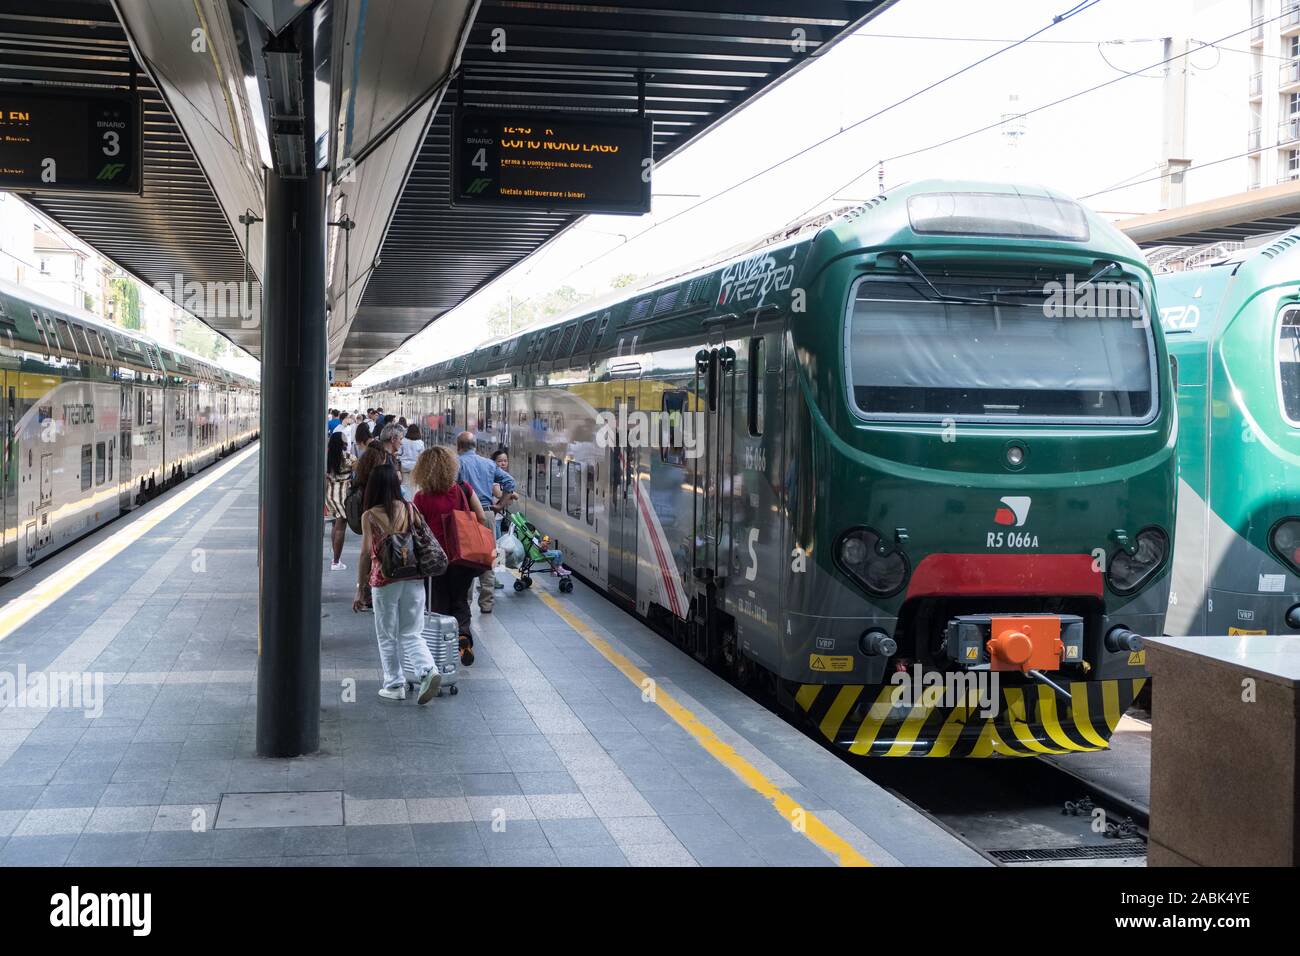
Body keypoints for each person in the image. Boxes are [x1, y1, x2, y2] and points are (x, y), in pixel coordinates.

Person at [353, 464, 441, 702]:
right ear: (395, 485)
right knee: (411, 632)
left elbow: (364, 555)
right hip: (413, 578)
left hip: (385, 580)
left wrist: (360, 590)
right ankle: (428, 670)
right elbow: (424, 538)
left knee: (387, 635)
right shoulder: (410, 508)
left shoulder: (369, 515)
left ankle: (394, 684)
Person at [413, 446, 487, 666]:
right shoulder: (462, 489)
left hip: (435, 560)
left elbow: (417, 529)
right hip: (461, 557)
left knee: (438, 604)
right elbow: (481, 517)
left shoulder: (421, 497)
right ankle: (463, 636)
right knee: (460, 600)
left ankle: (441, 650)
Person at [456, 432, 516, 613]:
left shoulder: (457, 463)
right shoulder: (489, 464)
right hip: (488, 513)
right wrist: (500, 505)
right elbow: (510, 482)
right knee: (489, 556)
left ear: (459, 447)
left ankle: (465, 601)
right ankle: (487, 604)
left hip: (465, 515)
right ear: (476, 446)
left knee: (465, 557)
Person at [325, 432, 354, 570]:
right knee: (340, 529)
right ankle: (336, 561)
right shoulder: (349, 458)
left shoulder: (326, 458)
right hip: (343, 497)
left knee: (335, 526)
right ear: (343, 444)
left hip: (329, 496)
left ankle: (335, 559)